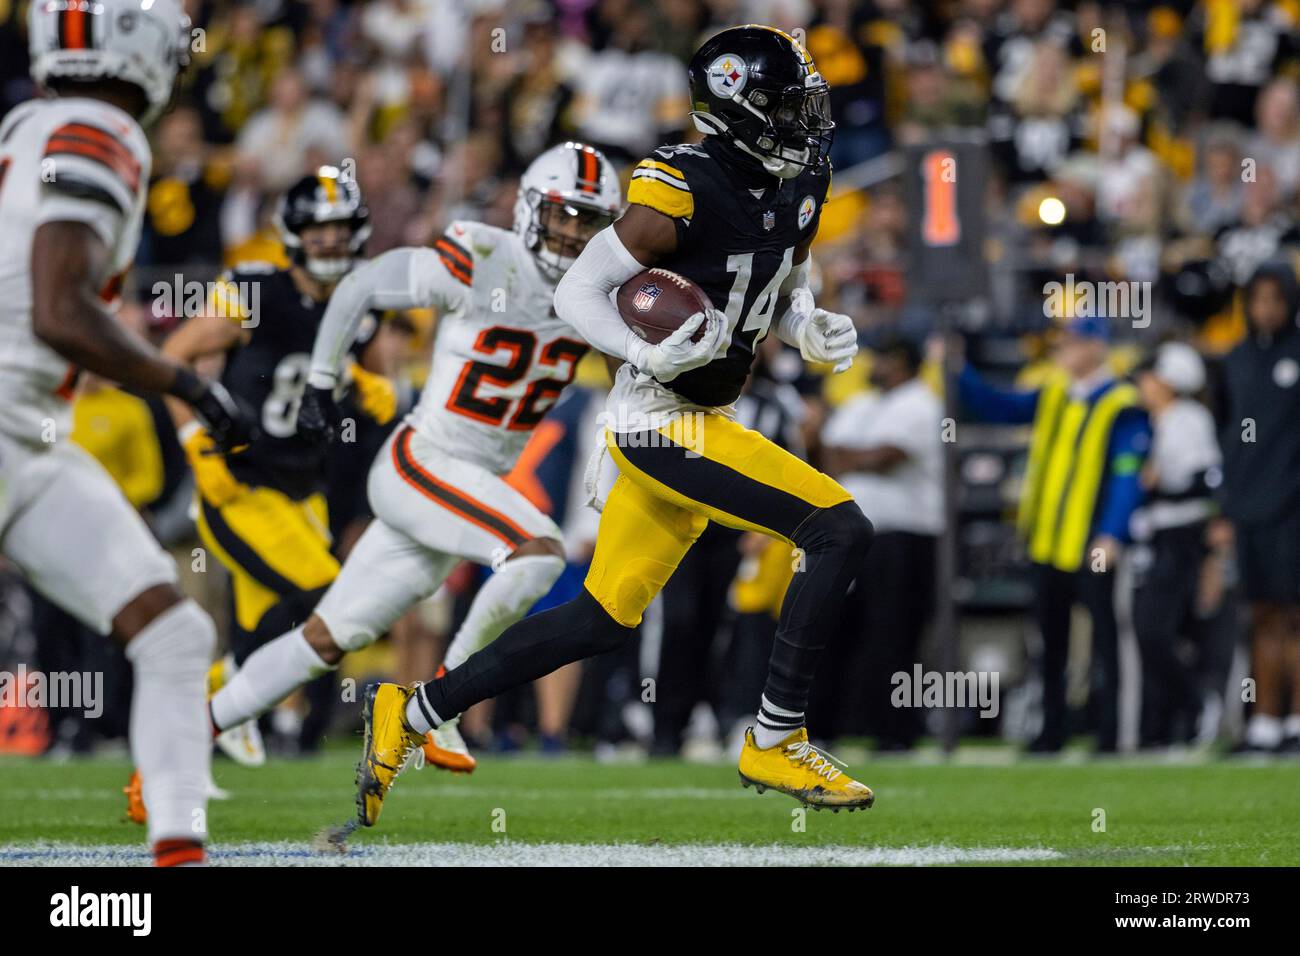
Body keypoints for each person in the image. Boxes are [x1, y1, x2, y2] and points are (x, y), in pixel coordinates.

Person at [355, 26, 873, 828]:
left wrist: (805, 320)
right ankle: (776, 735)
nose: (806, 121)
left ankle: (413, 711)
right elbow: (579, 293)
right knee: (838, 527)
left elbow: (786, 262)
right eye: (786, 105)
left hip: (704, 412)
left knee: (600, 618)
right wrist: (643, 350)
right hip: (657, 418)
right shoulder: (679, 186)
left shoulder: (804, 179)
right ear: (735, 110)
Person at [203, 142, 622, 777]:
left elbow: (635, 371)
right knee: (539, 551)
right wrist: (322, 379)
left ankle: (184, 737)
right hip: (422, 461)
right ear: (532, 210)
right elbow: (364, 283)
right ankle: (440, 705)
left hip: (463, 484)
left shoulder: (602, 292)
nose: (570, 231)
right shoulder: (487, 258)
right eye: (562, 213)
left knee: (324, 638)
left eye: (587, 220)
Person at [0, 0, 254, 865]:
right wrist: (188, 384)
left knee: (174, 633)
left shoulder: (34, 122)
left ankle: (179, 852)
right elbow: (59, 309)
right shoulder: (95, 126)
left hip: (30, 433)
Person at [160, 168, 394, 766]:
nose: (331, 242)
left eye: (341, 230)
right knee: (330, 600)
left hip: (303, 491)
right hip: (239, 483)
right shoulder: (256, 291)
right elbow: (171, 358)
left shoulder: (358, 305)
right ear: (293, 235)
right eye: (318, 232)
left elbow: (328, 370)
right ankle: (219, 693)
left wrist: (363, 383)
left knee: (261, 621)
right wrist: (195, 440)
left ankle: (207, 734)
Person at [957, 316, 1150, 753]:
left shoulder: (1121, 402)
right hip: (1047, 540)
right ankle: (1052, 731)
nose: (1064, 350)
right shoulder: (1055, 394)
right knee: (1050, 643)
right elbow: (998, 407)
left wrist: (1112, 534)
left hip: (1091, 541)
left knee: (1106, 640)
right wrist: (959, 370)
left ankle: (1112, 733)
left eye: (1074, 342)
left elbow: (1126, 474)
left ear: (1097, 347)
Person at [821, 336, 943, 750]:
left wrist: (852, 457)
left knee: (893, 633)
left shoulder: (921, 403)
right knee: (838, 628)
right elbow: (826, 453)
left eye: (883, 356)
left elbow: (886, 457)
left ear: (904, 361)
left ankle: (895, 733)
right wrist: (857, 456)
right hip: (855, 534)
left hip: (905, 534)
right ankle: (834, 725)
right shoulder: (862, 404)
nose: (873, 364)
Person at [1215, 259, 1300, 752]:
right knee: (1262, 614)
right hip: (1249, 509)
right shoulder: (1237, 360)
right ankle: (1266, 720)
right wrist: (1226, 506)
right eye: (1258, 300)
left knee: (1294, 616)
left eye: (1276, 299)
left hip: (1292, 508)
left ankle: (1295, 720)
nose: (1266, 310)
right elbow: (1227, 436)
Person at [1130, 342, 1223, 748]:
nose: (1144, 384)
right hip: (1157, 534)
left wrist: (1160, 483)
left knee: (1155, 628)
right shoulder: (1159, 420)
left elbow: (1206, 478)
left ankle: (1196, 702)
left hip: (1182, 535)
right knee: (1153, 629)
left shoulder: (1188, 418)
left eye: (1151, 377)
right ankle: (1165, 725)